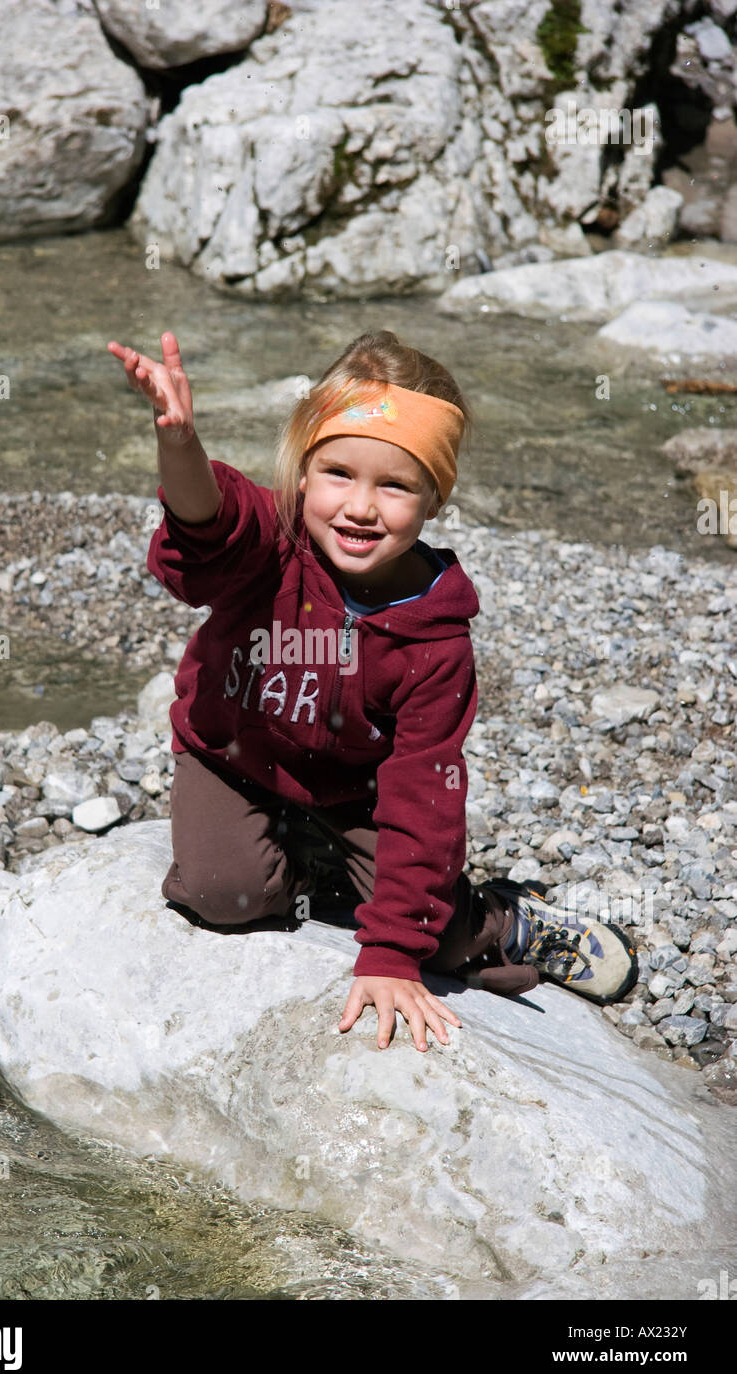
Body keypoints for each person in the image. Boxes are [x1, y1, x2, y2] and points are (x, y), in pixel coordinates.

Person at [107, 329, 637, 1053]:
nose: (359, 506)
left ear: (434, 497)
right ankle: (296, 853)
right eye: (338, 473)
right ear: (301, 472)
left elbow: (424, 789)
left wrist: (390, 953)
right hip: (235, 753)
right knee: (222, 896)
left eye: (394, 485)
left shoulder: (438, 640)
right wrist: (180, 442)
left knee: (435, 941)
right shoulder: (274, 541)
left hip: (357, 790)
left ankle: (506, 919)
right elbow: (207, 524)